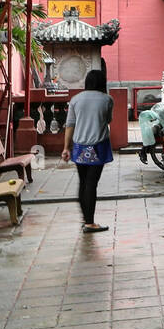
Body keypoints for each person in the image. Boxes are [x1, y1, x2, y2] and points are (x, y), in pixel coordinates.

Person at [63, 67, 114, 233]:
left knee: (83, 182)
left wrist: (66, 148)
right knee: (92, 183)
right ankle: (90, 223)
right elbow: (108, 120)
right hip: (98, 146)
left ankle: (86, 219)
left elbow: (70, 125)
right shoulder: (107, 100)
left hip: (79, 147)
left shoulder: (76, 99)